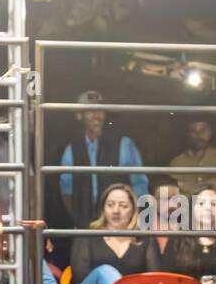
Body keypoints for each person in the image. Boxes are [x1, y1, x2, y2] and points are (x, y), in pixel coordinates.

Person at [68, 183, 150, 284]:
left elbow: (154, 278)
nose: (116, 211)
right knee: (105, 271)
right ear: (103, 209)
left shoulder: (144, 240)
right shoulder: (88, 235)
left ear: (133, 209)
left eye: (123, 205)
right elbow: (79, 276)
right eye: (110, 205)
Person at [59, 91, 149, 227]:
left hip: (119, 225)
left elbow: (139, 186)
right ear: (79, 115)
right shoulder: (71, 150)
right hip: (85, 227)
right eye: (90, 110)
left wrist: (133, 220)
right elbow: (67, 192)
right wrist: (78, 219)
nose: (96, 115)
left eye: (99, 109)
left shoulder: (124, 144)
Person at [168, 118, 216, 195]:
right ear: (187, 133)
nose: (199, 134)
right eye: (193, 131)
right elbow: (175, 193)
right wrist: (210, 183)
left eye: (203, 130)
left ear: (211, 132)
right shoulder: (177, 162)